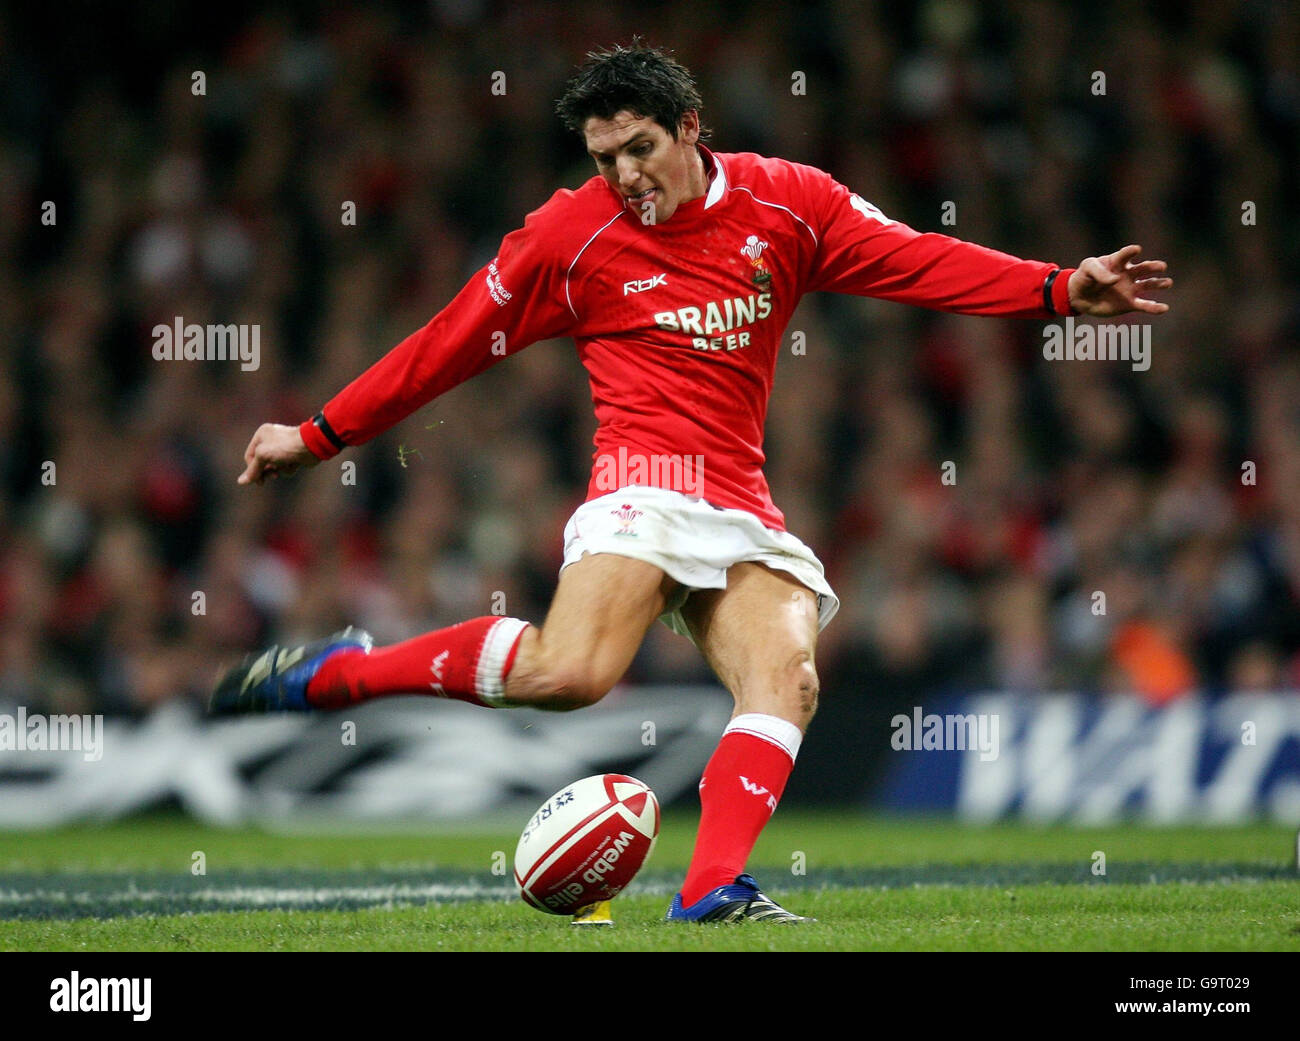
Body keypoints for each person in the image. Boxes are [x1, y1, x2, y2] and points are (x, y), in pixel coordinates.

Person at [211, 42, 1171, 923]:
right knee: (573, 674)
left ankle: (711, 890)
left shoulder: (790, 203)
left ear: (691, 131)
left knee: (788, 679)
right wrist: (320, 432)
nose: (625, 177)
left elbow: (914, 258)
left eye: (639, 148)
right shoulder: (566, 238)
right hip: (642, 481)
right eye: (604, 160)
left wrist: (1054, 288)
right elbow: (448, 343)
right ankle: (338, 675)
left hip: (741, 505)